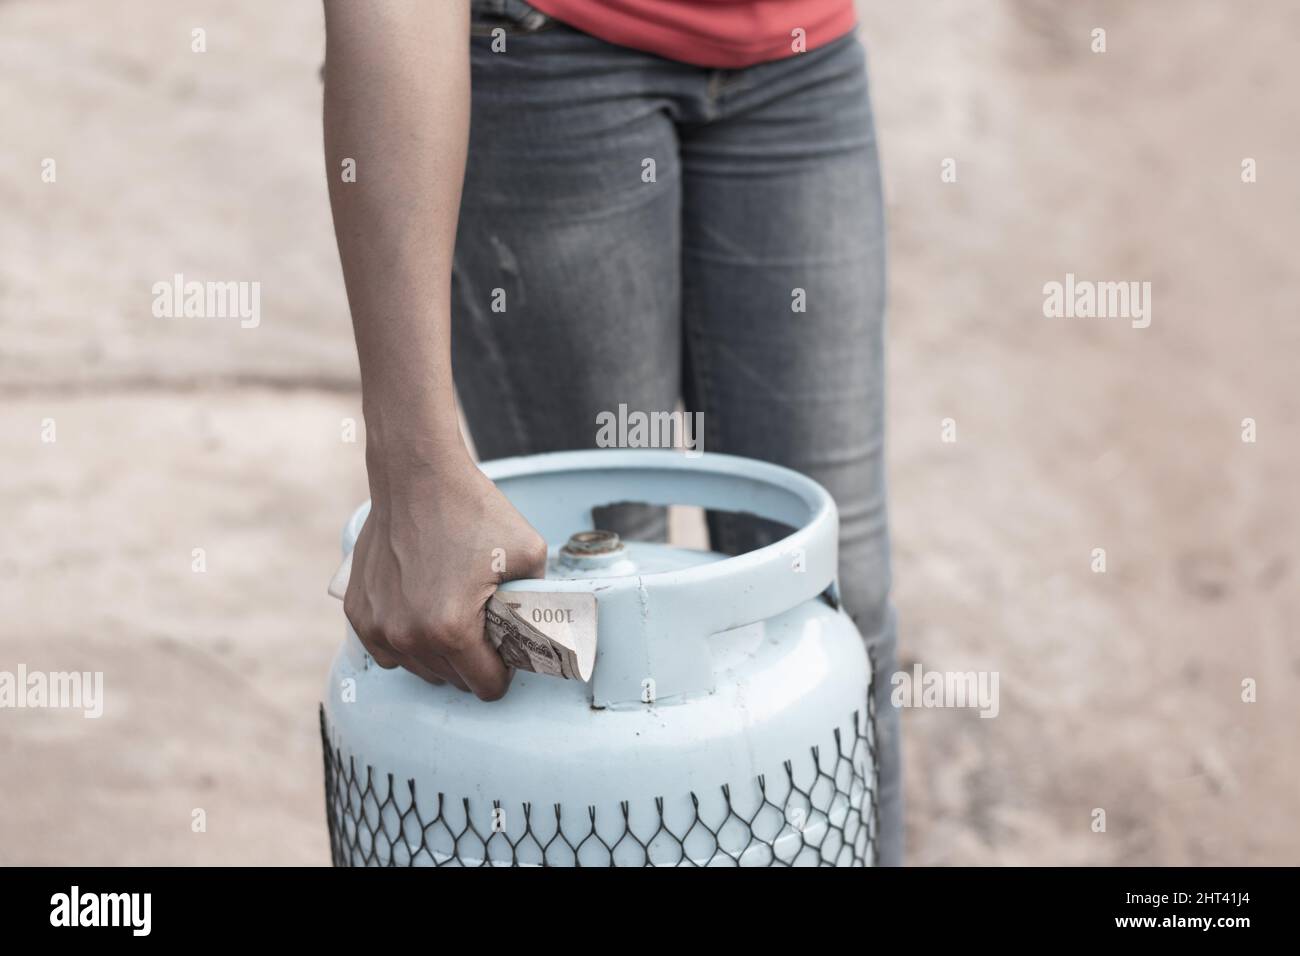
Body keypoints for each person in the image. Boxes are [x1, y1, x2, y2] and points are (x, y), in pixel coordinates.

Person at [322, 0, 901, 865]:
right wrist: (413, 466)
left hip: (798, 52)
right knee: (593, 637)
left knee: (837, 605)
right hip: (553, 56)